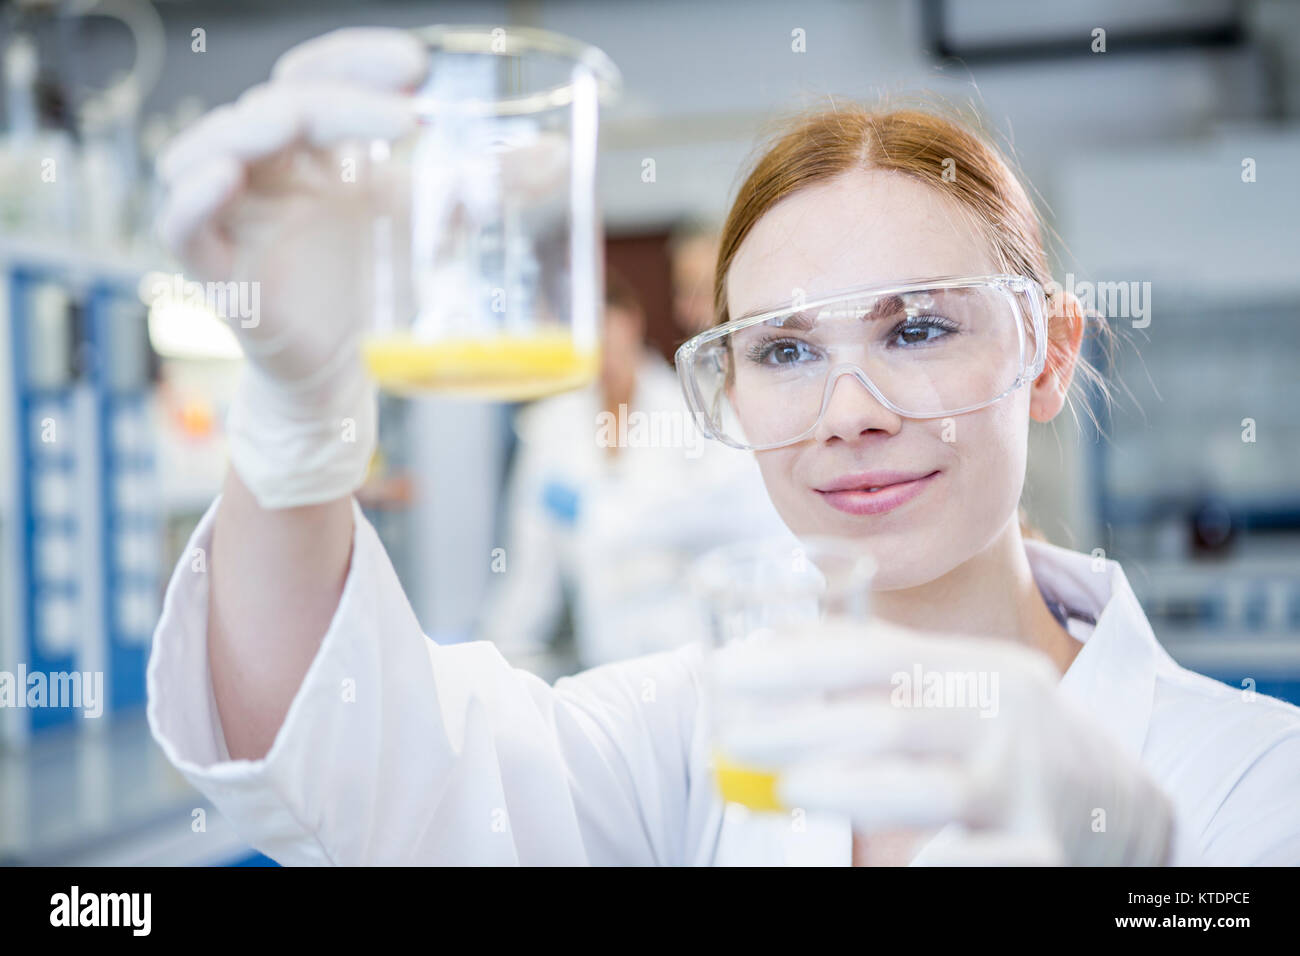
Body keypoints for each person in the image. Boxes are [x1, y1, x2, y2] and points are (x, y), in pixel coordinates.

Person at [147, 28, 1300, 866]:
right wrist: (298, 412)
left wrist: (1139, 871)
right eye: (786, 352)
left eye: (920, 326)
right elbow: (362, 761)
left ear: (1046, 355)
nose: (849, 410)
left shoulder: (1255, 774)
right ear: (731, 391)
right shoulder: (685, 737)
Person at [477, 269, 788, 672]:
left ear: (631, 322)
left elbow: (729, 514)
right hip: (603, 650)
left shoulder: (692, 409)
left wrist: (601, 515)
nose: (597, 344)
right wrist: (498, 656)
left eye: (603, 325)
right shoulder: (550, 427)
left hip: (690, 646)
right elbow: (530, 566)